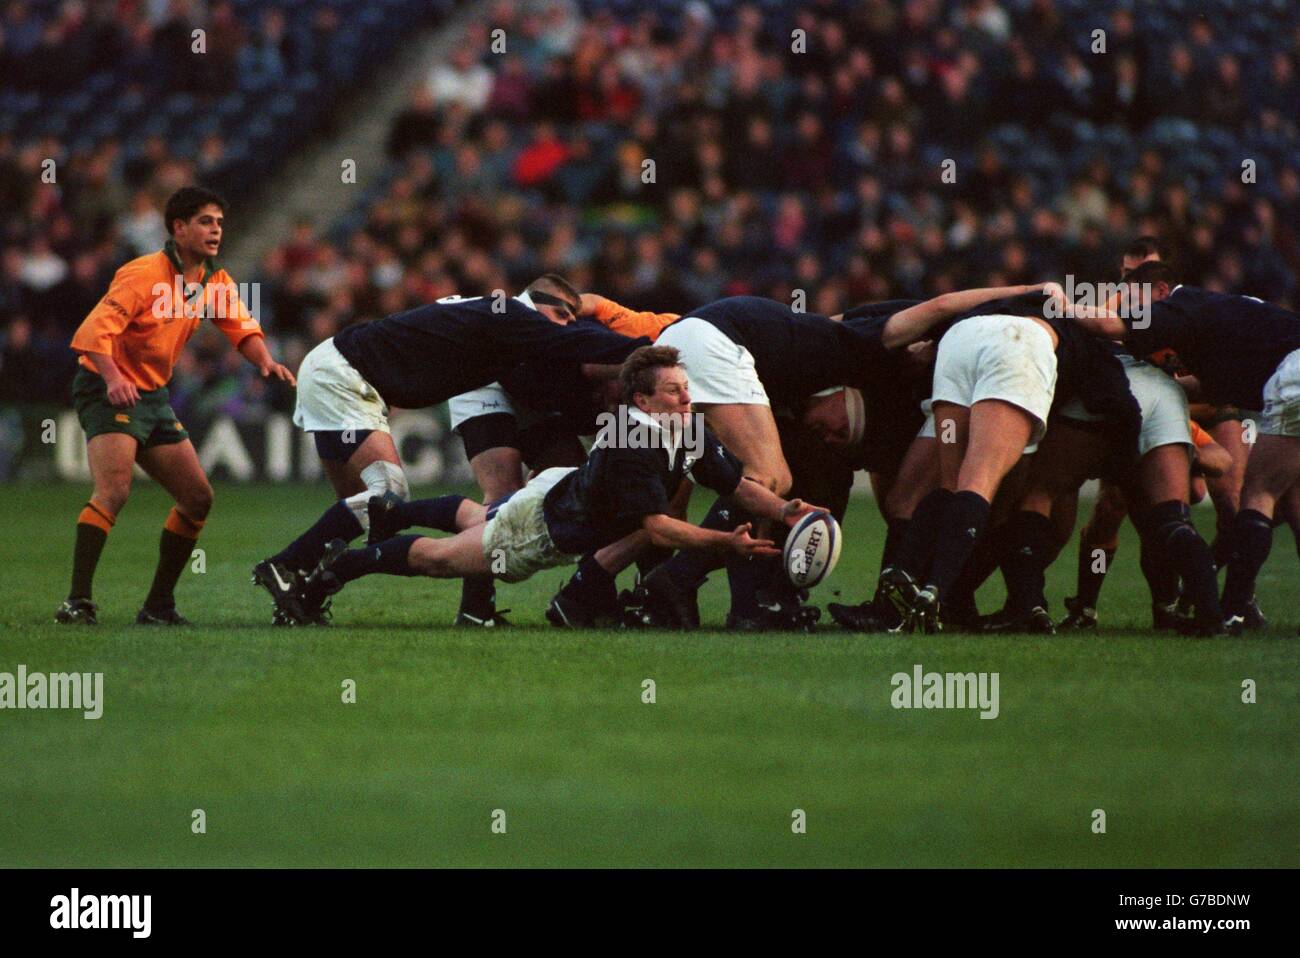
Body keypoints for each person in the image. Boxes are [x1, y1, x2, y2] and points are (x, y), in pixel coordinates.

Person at [264, 346, 825, 625]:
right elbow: (655, 527)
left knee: (476, 523)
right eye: (676, 390)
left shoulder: (685, 431)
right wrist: (726, 545)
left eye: (687, 387)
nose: (688, 397)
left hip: (562, 489)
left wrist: (785, 507)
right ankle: (332, 573)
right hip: (542, 527)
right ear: (642, 401)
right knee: (438, 559)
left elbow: (735, 484)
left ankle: (393, 516)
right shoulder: (636, 441)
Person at [252, 275, 648, 622]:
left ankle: (304, 588)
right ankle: (285, 565)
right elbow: (573, 341)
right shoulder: (512, 314)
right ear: (540, 304)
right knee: (386, 500)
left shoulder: (502, 319)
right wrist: (651, 348)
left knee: (366, 511)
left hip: (341, 371)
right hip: (343, 376)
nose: (567, 325)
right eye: (564, 315)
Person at [56, 186, 295, 625]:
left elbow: (241, 326)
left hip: (152, 396)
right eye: (206, 221)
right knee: (114, 490)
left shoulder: (212, 280)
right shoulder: (141, 274)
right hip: (106, 387)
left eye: (219, 223)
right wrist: (112, 379)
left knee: (197, 498)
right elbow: (95, 332)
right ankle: (76, 602)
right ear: (178, 228)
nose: (215, 230)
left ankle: (158, 607)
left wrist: (265, 362)